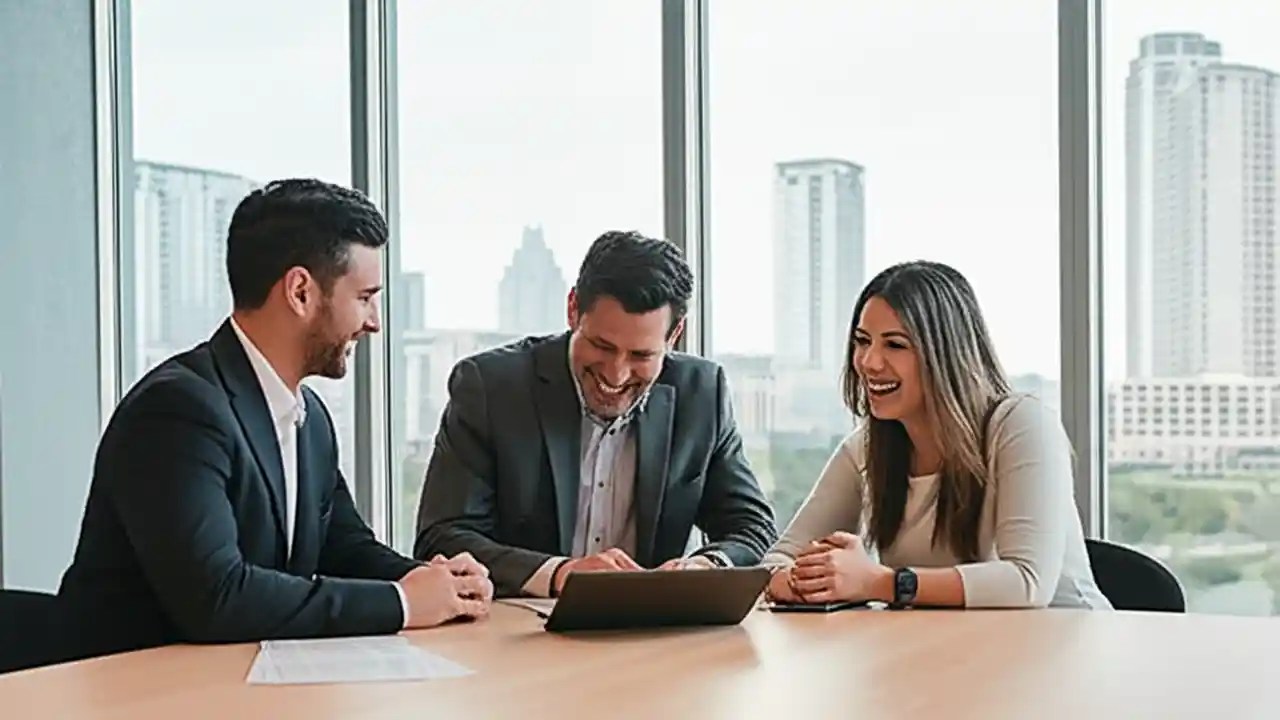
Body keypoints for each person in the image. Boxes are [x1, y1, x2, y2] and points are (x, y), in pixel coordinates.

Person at [58, 179, 492, 660]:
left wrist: (432, 582)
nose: (374, 322)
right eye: (365, 297)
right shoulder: (178, 411)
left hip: (238, 687)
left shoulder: (310, 417)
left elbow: (344, 547)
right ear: (301, 291)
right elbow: (217, 597)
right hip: (132, 693)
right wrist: (403, 603)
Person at [414, 230, 777, 597]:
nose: (615, 375)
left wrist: (704, 567)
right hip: (517, 633)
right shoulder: (491, 387)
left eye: (641, 356)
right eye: (602, 346)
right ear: (573, 309)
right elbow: (442, 537)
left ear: (674, 335)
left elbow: (751, 524)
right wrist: (560, 575)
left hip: (653, 637)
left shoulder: (701, 393)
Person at [763, 261, 1110, 610]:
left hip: (1065, 648)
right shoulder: (865, 449)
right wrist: (798, 580)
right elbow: (775, 563)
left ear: (946, 353)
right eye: (862, 341)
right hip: (957, 652)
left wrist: (880, 582)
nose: (869, 361)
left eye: (895, 345)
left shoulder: (1021, 425)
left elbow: (1026, 582)